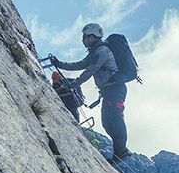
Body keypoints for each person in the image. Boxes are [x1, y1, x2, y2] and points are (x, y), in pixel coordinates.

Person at [51, 24, 130, 164]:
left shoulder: (102, 52)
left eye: (84, 37)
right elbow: (80, 64)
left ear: (91, 36)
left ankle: (121, 152)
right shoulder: (95, 51)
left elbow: (91, 70)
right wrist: (59, 63)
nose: (83, 40)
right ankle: (119, 152)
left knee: (115, 119)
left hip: (114, 90)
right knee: (107, 122)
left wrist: (75, 83)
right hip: (110, 91)